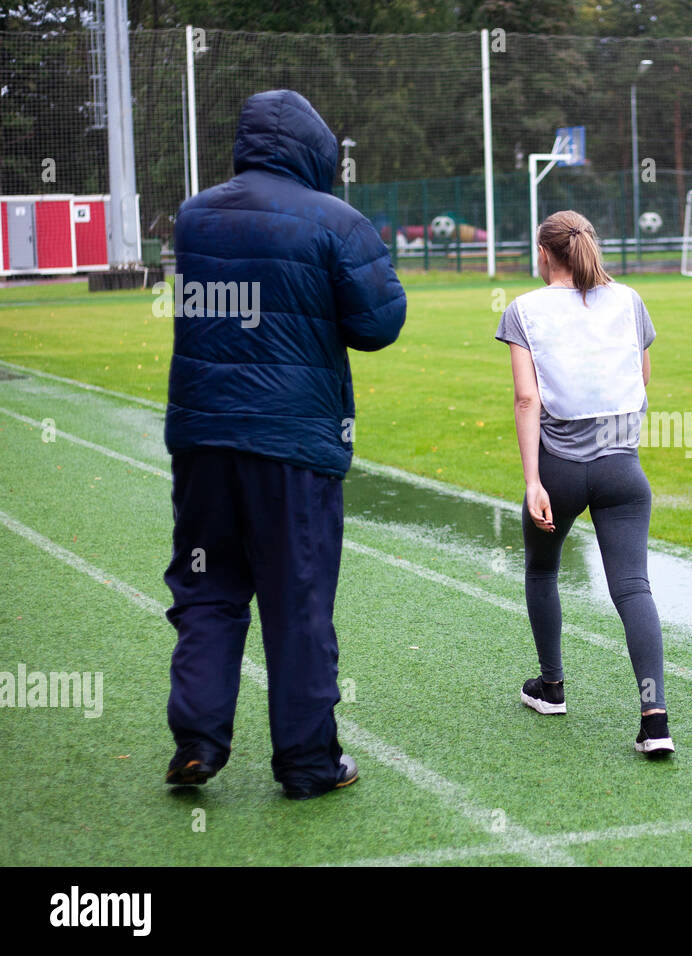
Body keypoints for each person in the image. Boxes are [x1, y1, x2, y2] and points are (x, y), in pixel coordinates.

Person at [162, 90, 406, 799]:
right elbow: (379, 322)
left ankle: (198, 742)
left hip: (203, 439)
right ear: (316, 150)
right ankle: (306, 762)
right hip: (293, 445)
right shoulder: (336, 219)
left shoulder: (194, 214)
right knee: (296, 600)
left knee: (206, 589)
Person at [496, 210, 673, 756]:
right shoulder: (629, 300)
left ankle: (551, 688)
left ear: (545, 253)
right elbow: (641, 378)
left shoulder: (522, 309)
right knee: (633, 588)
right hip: (624, 470)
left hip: (560, 468)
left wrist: (532, 482)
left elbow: (528, 399)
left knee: (543, 568)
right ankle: (655, 720)